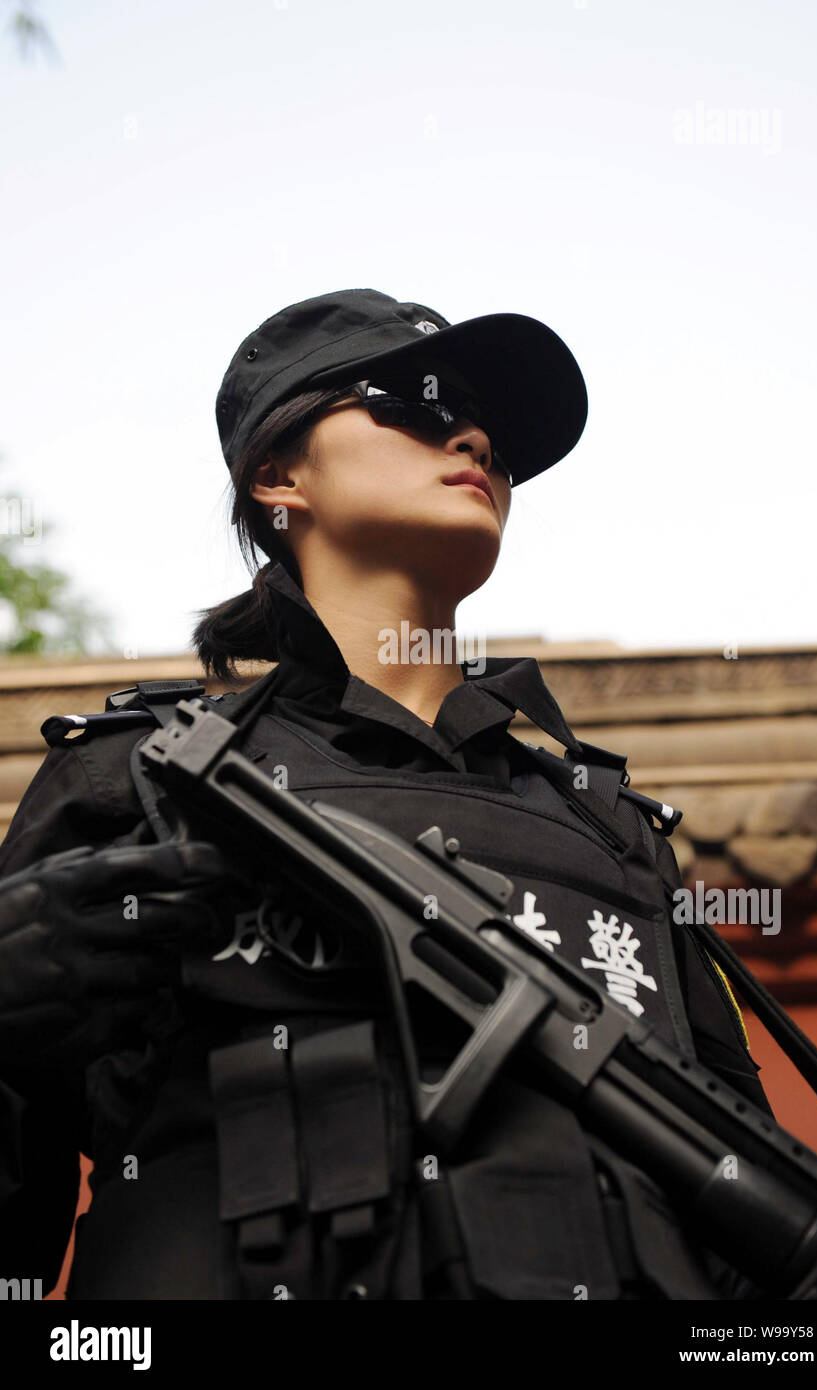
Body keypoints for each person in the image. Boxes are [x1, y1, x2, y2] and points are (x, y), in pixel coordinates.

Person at [0, 289, 773, 1301]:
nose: (476, 435)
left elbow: (749, 1208)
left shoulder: (612, 827)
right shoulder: (133, 773)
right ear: (278, 476)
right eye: (409, 401)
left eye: (488, 422)